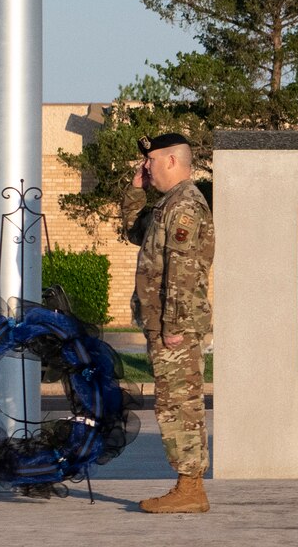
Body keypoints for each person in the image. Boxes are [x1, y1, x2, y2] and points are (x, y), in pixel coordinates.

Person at [121, 132, 214, 514]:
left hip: (176, 325)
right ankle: (188, 486)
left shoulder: (186, 205)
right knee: (172, 403)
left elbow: (182, 269)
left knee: (180, 406)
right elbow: (134, 231)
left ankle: (190, 489)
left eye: (151, 160)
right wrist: (136, 190)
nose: (146, 166)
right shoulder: (168, 204)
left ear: (172, 161)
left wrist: (173, 325)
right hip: (165, 322)